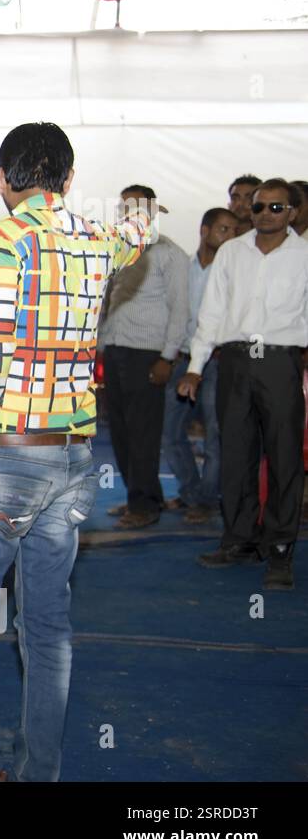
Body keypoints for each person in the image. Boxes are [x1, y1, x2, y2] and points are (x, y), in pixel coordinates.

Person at [0, 122, 156, 782]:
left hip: (5, 455)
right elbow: (140, 230)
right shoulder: (96, 237)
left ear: (4, 180)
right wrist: (142, 215)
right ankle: (40, 772)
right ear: (69, 177)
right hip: (74, 457)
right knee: (48, 627)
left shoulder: (5, 237)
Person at [179, 178, 308, 591]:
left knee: (285, 456)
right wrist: (195, 366)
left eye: (276, 207)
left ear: (293, 212)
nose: (265, 214)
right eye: (258, 207)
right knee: (235, 453)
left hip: (280, 361)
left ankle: (281, 550)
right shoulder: (232, 252)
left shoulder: (305, 256)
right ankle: (239, 541)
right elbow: (212, 311)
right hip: (234, 359)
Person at [98, 184, 189, 529]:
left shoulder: (170, 254)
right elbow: (109, 302)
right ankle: (138, 495)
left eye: (137, 208)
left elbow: (180, 309)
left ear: (153, 212)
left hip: (148, 354)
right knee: (120, 431)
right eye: (125, 208)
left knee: (143, 432)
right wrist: (100, 345)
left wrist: (168, 357)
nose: (130, 214)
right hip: (117, 349)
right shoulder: (119, 250)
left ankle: (146, 505)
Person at [161, 208, 240, 524]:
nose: (230, 236)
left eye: (234, 230)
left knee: (215, 436)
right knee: (169, 434)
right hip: (182, 359)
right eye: (224, 229)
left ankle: (206, 501)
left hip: (217, 361)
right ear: (204, 231)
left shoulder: (234, 270)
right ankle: (192, 492)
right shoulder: (183, 268)